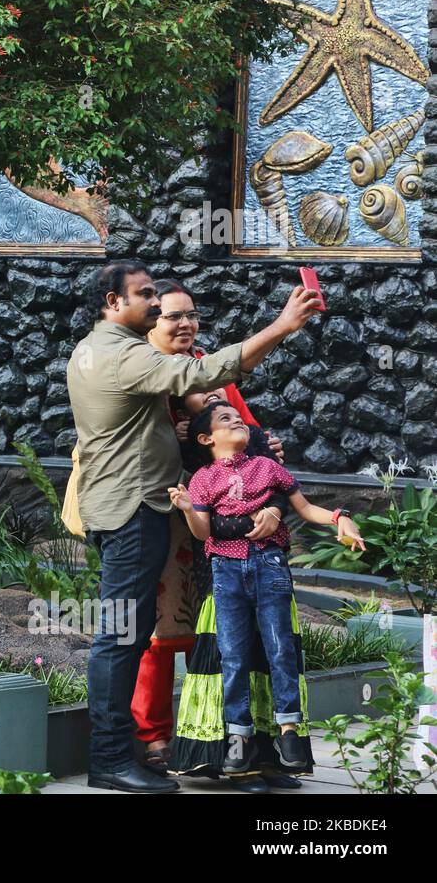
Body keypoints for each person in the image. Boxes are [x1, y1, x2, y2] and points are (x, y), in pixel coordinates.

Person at [66, 261, 321, 793]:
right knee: (122, 637)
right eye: (146, 297)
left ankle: (127, 754)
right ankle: (113, 759)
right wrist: (282, 325)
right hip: (133, 509)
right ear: (112, 303)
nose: (157, 306)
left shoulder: (94, 348)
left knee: (128, 635)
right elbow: (201, 376)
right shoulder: (123, 353)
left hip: (129, 507)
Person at [130, 280, 287, 775]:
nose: (185, 324)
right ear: (150, 321)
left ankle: (227, 737)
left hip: (231, 532)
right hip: (162, 517)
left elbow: (249, 438)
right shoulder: (138, 368)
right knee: (158, 629)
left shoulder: (211, 371)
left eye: (191, 315)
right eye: (172, 316)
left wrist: (268, 459)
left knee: (228, 630)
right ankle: (152, 734)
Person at [169, 402, 364, 778]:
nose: (237, 420)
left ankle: (288, 729)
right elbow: (203, 532)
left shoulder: (268, 467)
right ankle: (239, 736)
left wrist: (341, 518)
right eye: (225, 419)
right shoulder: (203, 479)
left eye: (238, 418)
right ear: (207, 438)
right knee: (233, 655)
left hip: (269, 565)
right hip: (225, 570)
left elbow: (306, 509)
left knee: (280, 649)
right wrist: (188, 509)